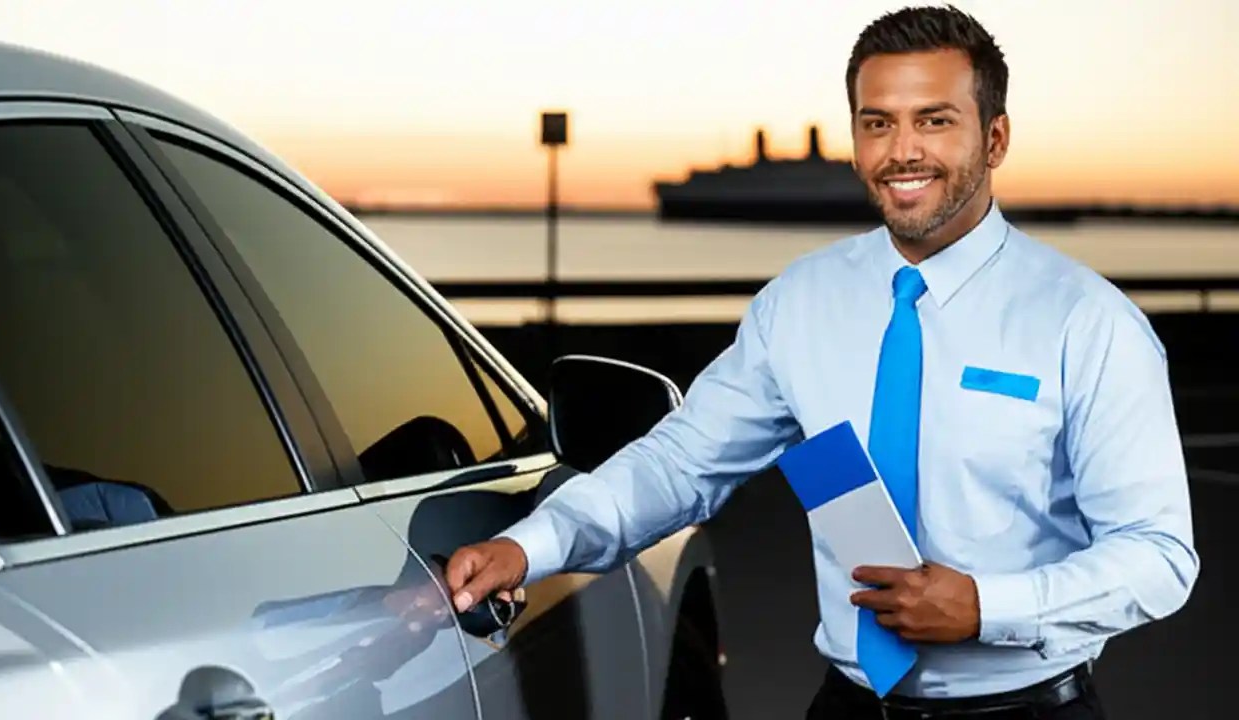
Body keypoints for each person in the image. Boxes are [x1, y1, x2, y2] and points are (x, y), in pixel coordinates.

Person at [444, 5, 1199, 718]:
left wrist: (986, 606)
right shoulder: (800, 302)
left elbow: (1159, 556)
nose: (902, 150)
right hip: (845, 704)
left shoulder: (1088, 322)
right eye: (879, 123)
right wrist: (528, 546)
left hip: (1027, 709)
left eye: (934, 121)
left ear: (994, 139)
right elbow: (681, 464)